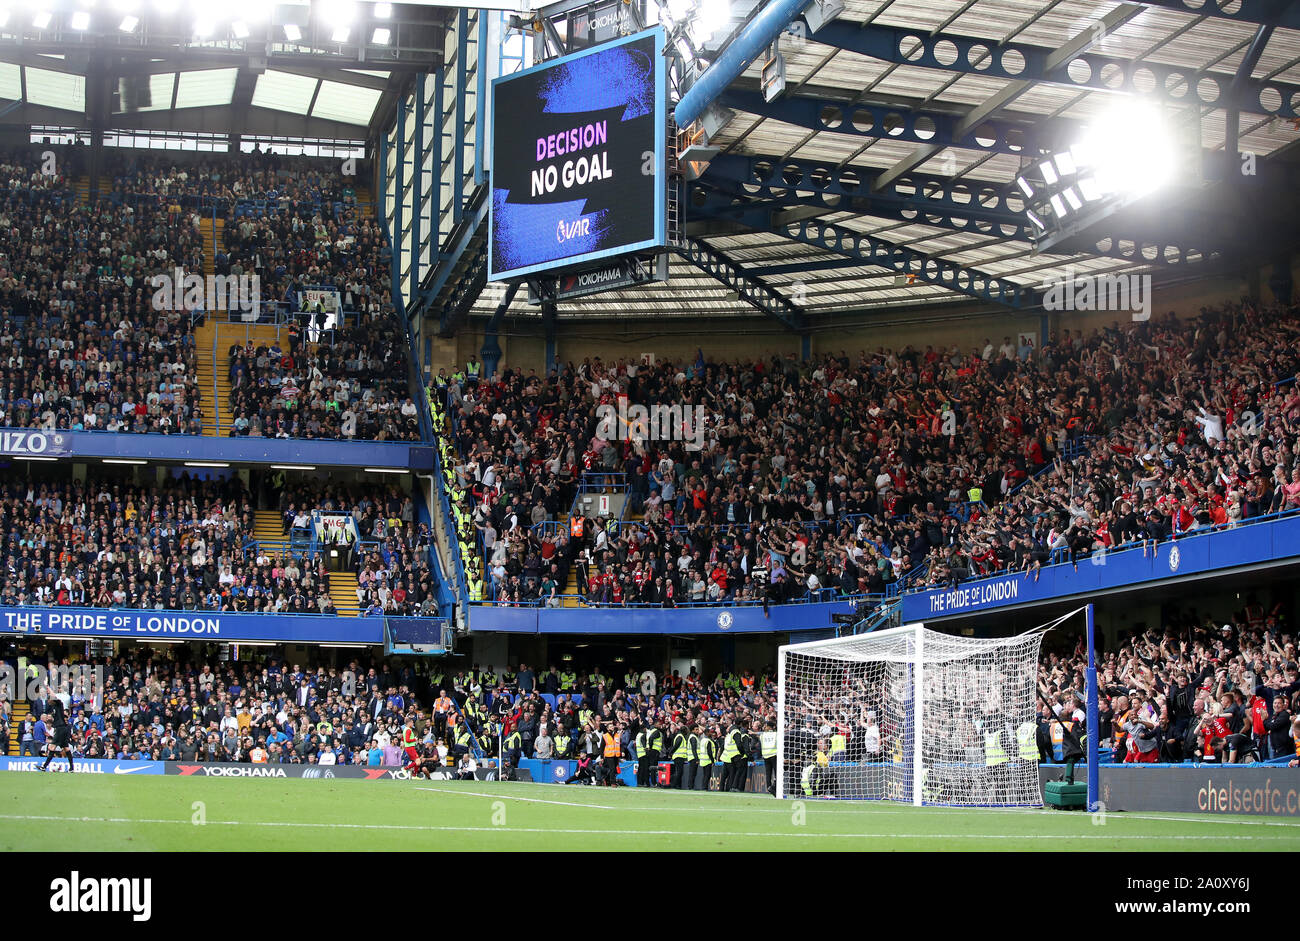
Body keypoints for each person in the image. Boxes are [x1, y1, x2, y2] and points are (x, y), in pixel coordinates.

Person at [41, 698, 73, 773]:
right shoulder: (54, 708)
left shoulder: (59, 705)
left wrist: (47, 687)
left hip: (60, 729)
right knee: (66, 748)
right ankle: (72, 768)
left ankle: (44, 766)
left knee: (52, 747)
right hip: (62, 729)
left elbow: (54, 696)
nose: (48, 702)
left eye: (49, 700)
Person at [759, 718, 779, 795]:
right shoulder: (776, 734)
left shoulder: (762, 735)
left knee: (768, 773)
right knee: (777, 772)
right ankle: (774, 787)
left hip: (765, 755)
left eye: (766, 726)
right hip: (774, 754)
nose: (765, 727)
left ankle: (769, 787)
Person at [694, 724, 714, 791]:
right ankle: (704, 787)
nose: (711, 733)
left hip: (703, 760)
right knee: (707, 775)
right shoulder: (708, 741)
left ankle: (703, 786)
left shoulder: (702, 740)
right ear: (707, 733)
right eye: (710, 732)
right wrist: (712, 760)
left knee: (705, 775)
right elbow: (709, 752)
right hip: (707, 760)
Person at [670, 720, 688, 789]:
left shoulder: (680, 736)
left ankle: (677, 785)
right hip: (678, 757)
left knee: (679, 772)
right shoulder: (680, 737)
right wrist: (671, 753)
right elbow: (676, 746)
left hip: (680, 756)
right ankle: (674, 784)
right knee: (679, 772)